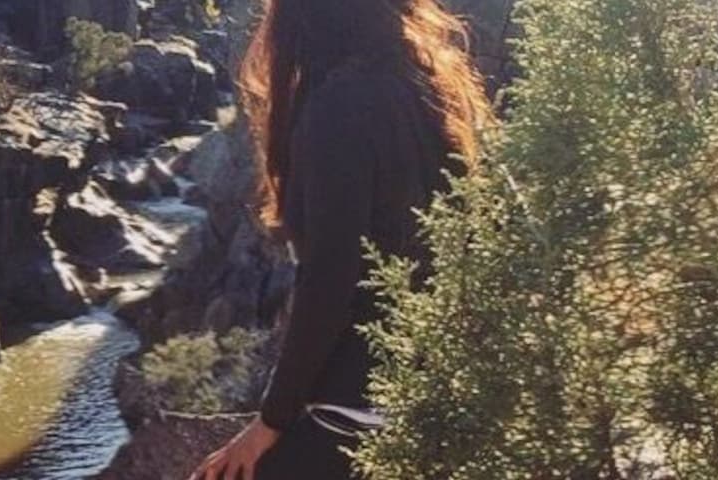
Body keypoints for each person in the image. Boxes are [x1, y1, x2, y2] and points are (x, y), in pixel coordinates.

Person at [191, 0, 492, 478]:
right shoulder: (429, 85)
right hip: (430, 386)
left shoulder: (338, 108)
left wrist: (270, 422)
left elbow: (330, 280)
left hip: (355, 407)